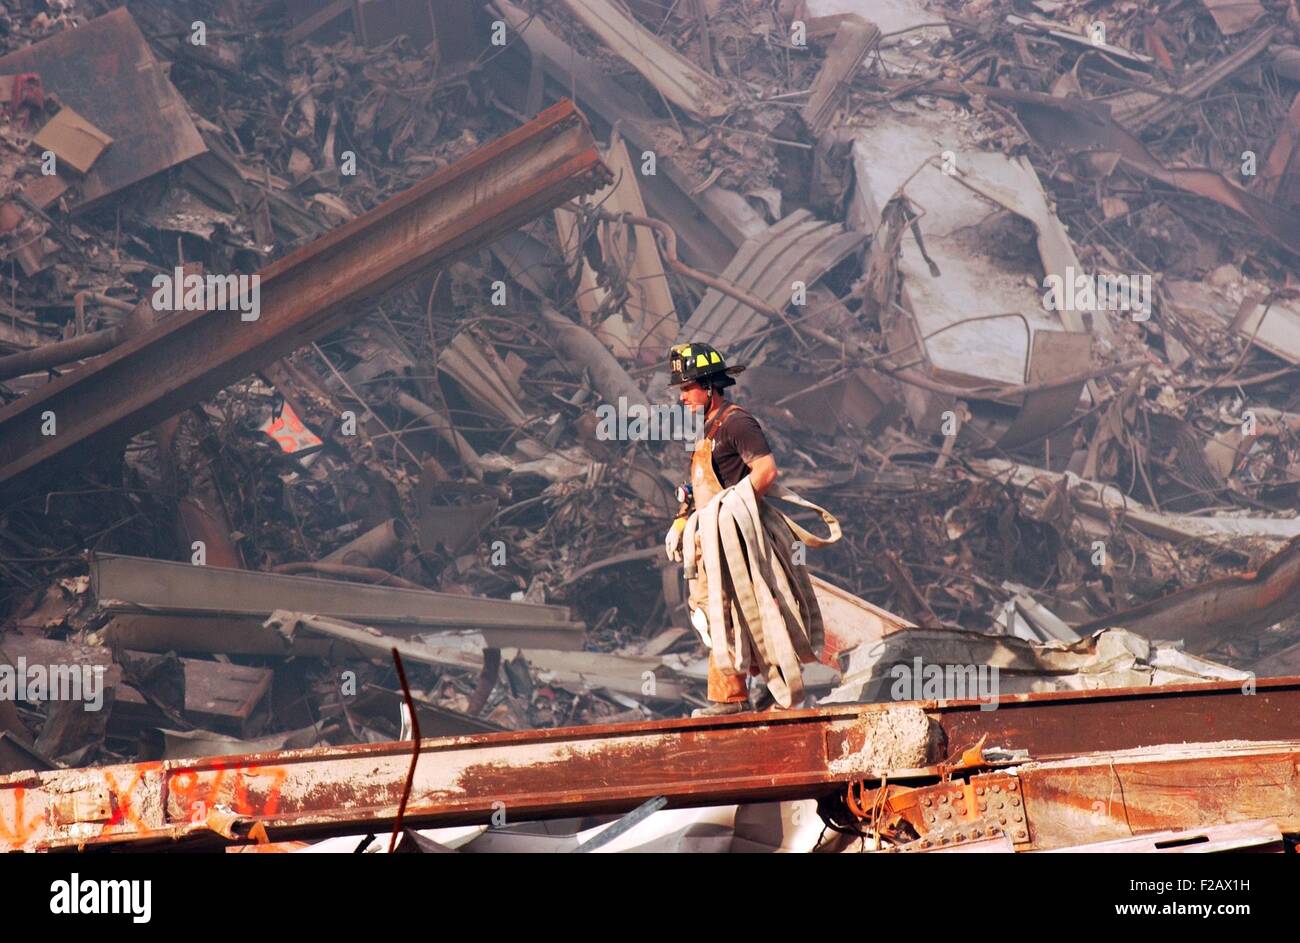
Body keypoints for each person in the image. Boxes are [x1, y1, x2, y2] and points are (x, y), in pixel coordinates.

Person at [663, 342, 779, 716]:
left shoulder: (737, 423)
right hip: (708, 539)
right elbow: (702, 483)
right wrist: (684, 517)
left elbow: (766, 471)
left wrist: (728, 513)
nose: (682, 397)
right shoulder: (708, 429)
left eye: (687, 388)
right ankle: (768, 685)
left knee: (721, 613)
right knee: (722, 614)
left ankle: (732, 698)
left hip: (730, 538)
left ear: (709, 386)